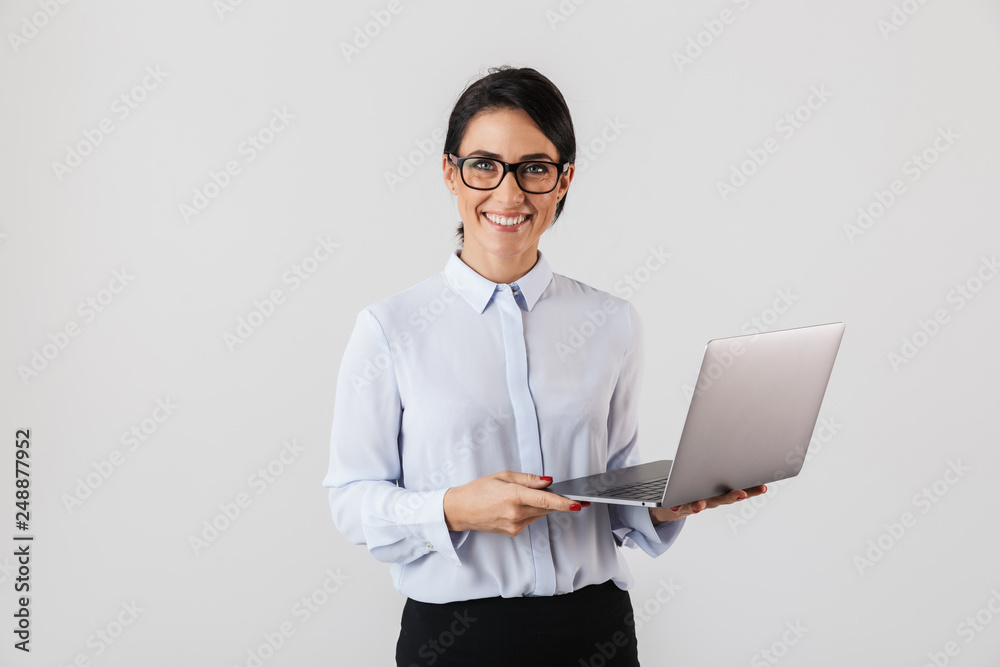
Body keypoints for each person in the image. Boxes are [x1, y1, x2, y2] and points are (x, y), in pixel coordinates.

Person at [323, 65, 766, 667]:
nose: (509, 195)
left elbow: (611, 486)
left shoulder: (612, 321)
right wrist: (452, 508)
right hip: (457, 640)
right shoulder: (390, 328)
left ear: (564, 180)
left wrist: (669, 501)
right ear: (451, 173)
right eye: (485, 165)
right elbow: (351, 499)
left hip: (595, 630)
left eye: (535, 168)